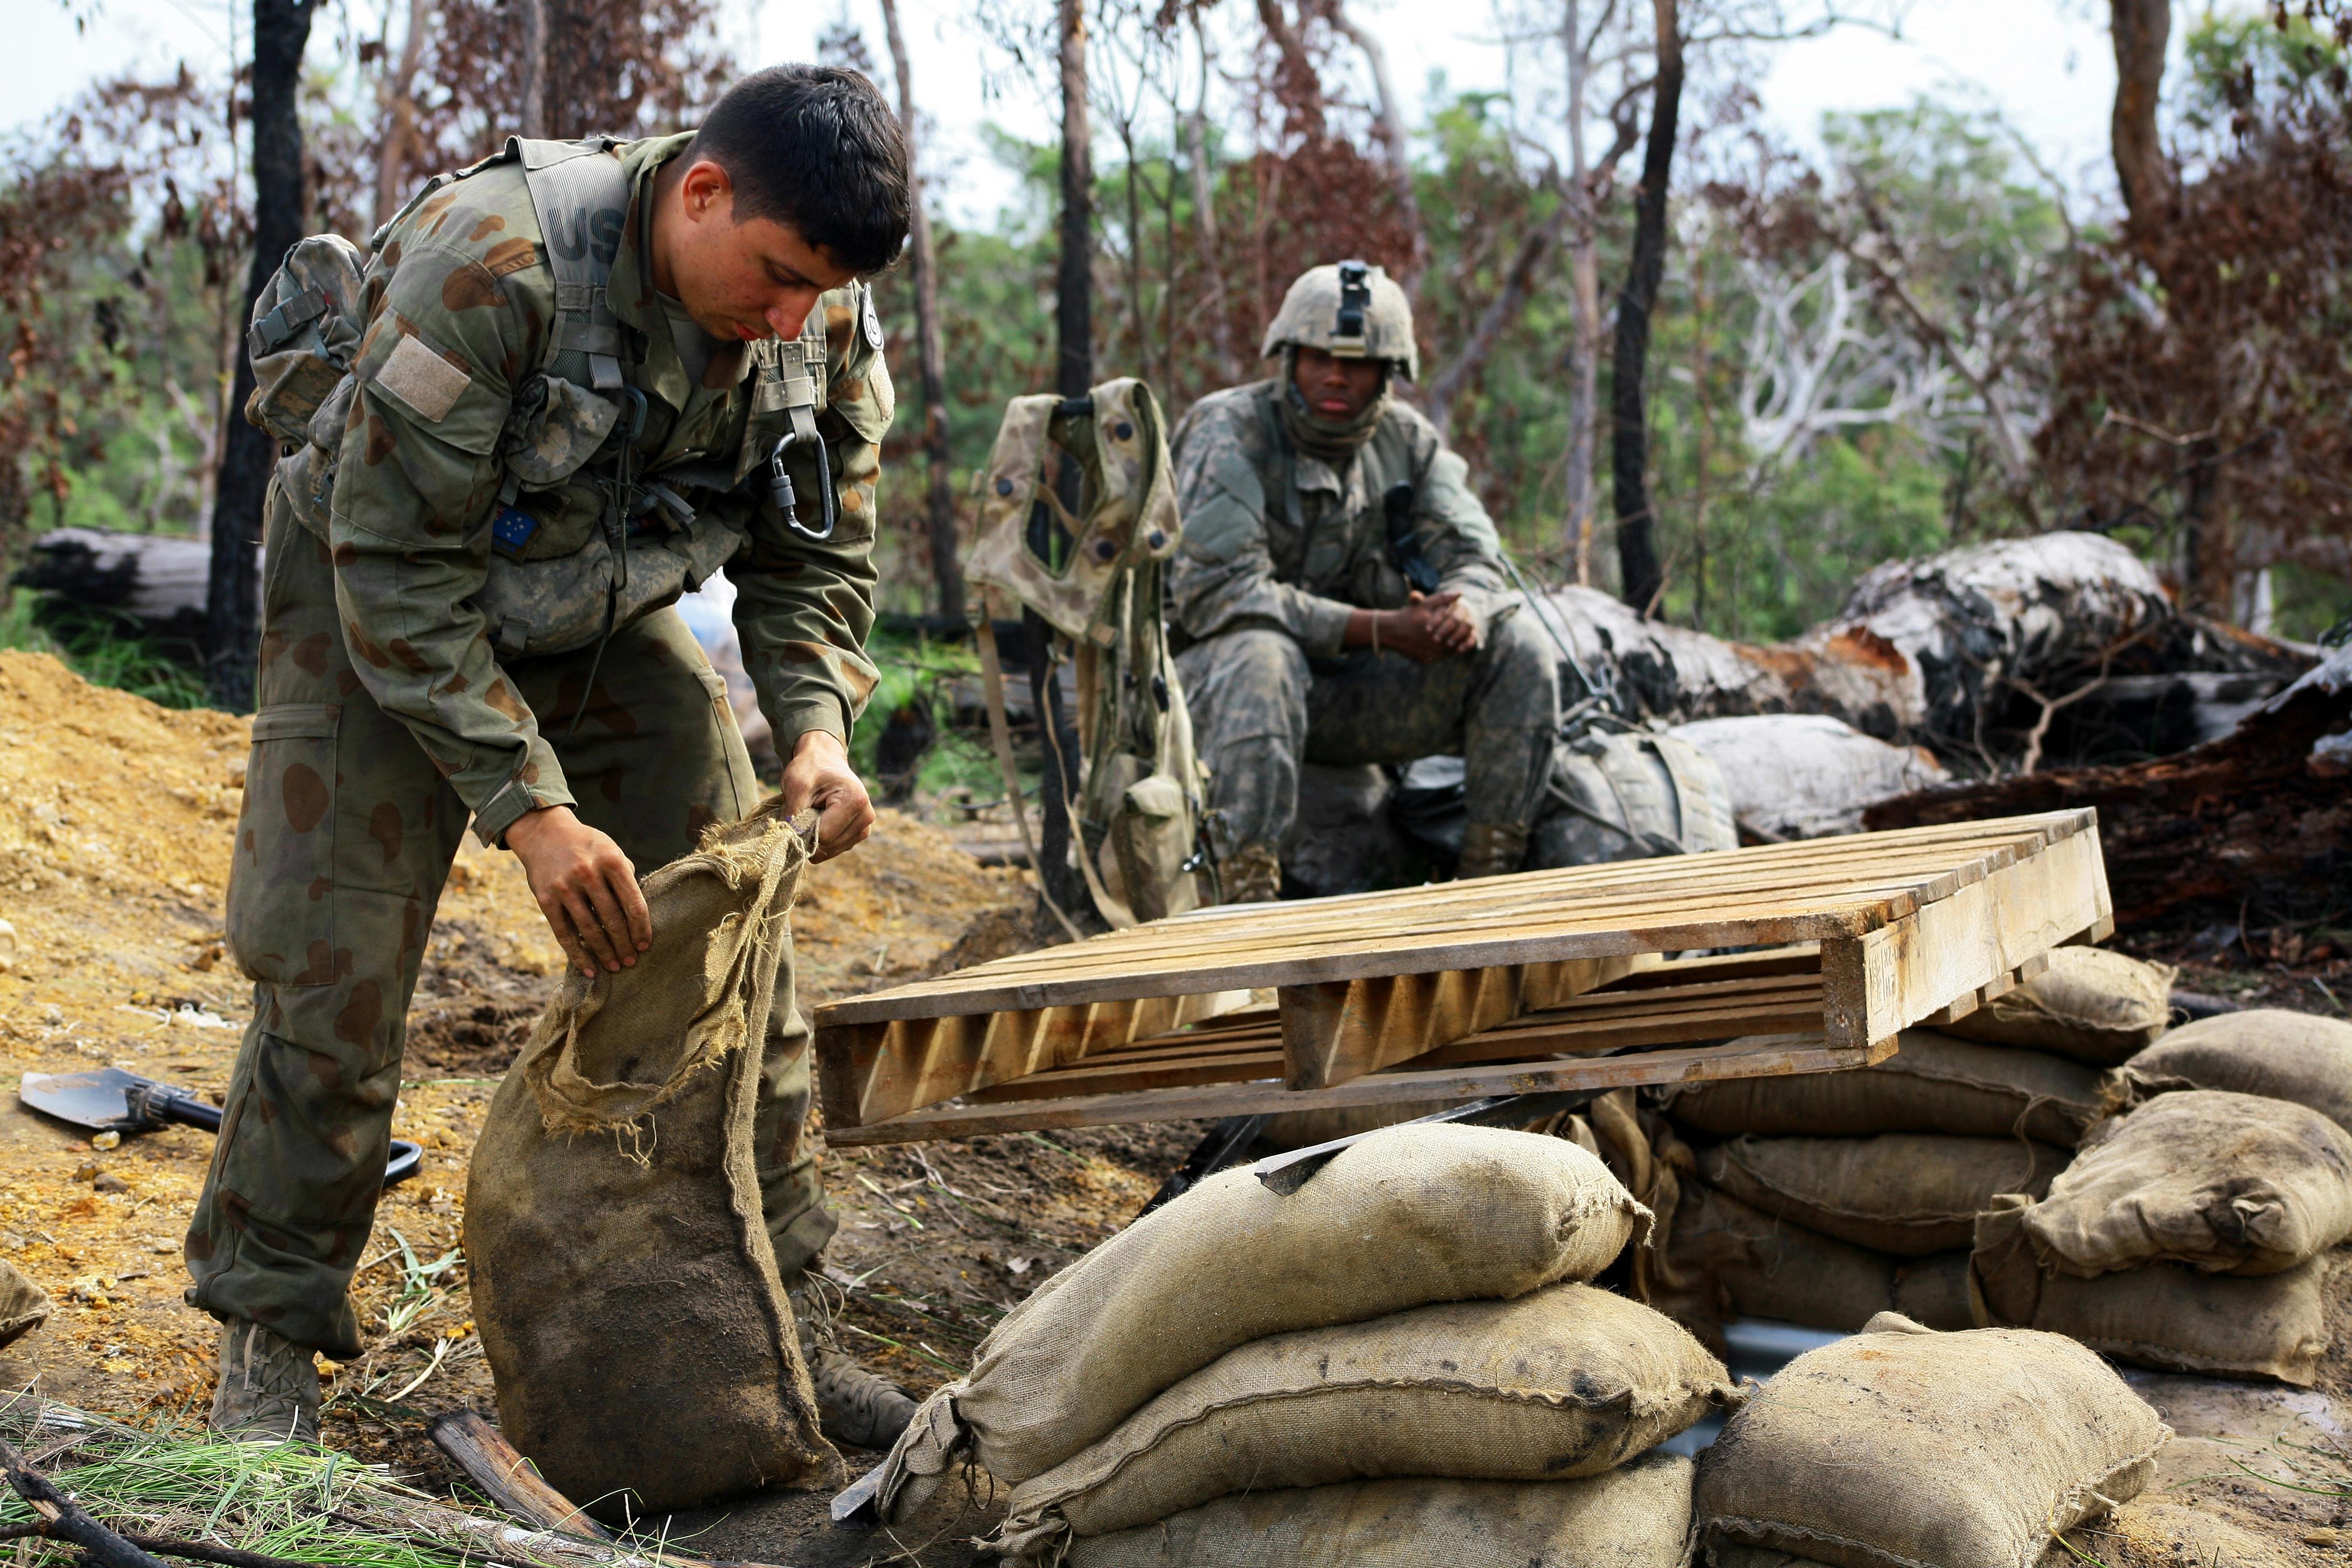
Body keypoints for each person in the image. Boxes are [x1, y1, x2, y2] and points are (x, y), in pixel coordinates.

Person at [189, 65, 918, 1452]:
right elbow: (393, 567)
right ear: (701, 191)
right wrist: (533, 813)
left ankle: (781, 1316)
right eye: (775, 277)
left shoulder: (816, 317)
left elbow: (815, 558)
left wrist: (817, 730)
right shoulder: (498, 263)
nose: (791, 319)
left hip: (591, 605)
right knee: (334, 974)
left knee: (733, 941)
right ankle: (269, 1339)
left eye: (818, 293)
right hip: (377, 599)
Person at [1167, 261, 1559, 900]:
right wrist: (1381, 629)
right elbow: (1221, 594)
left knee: (1520, 644)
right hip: (1223, 696)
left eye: (1358, 363)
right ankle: (1244, 894)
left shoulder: (1407, 440)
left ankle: (1488, 884)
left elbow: (1477, 556)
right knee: (1262, 655)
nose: (1336, 376)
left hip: (1353, 697)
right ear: (1289, 357)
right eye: (1318, 357)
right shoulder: (1229, 428)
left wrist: (1463, 610)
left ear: (1388, 372)